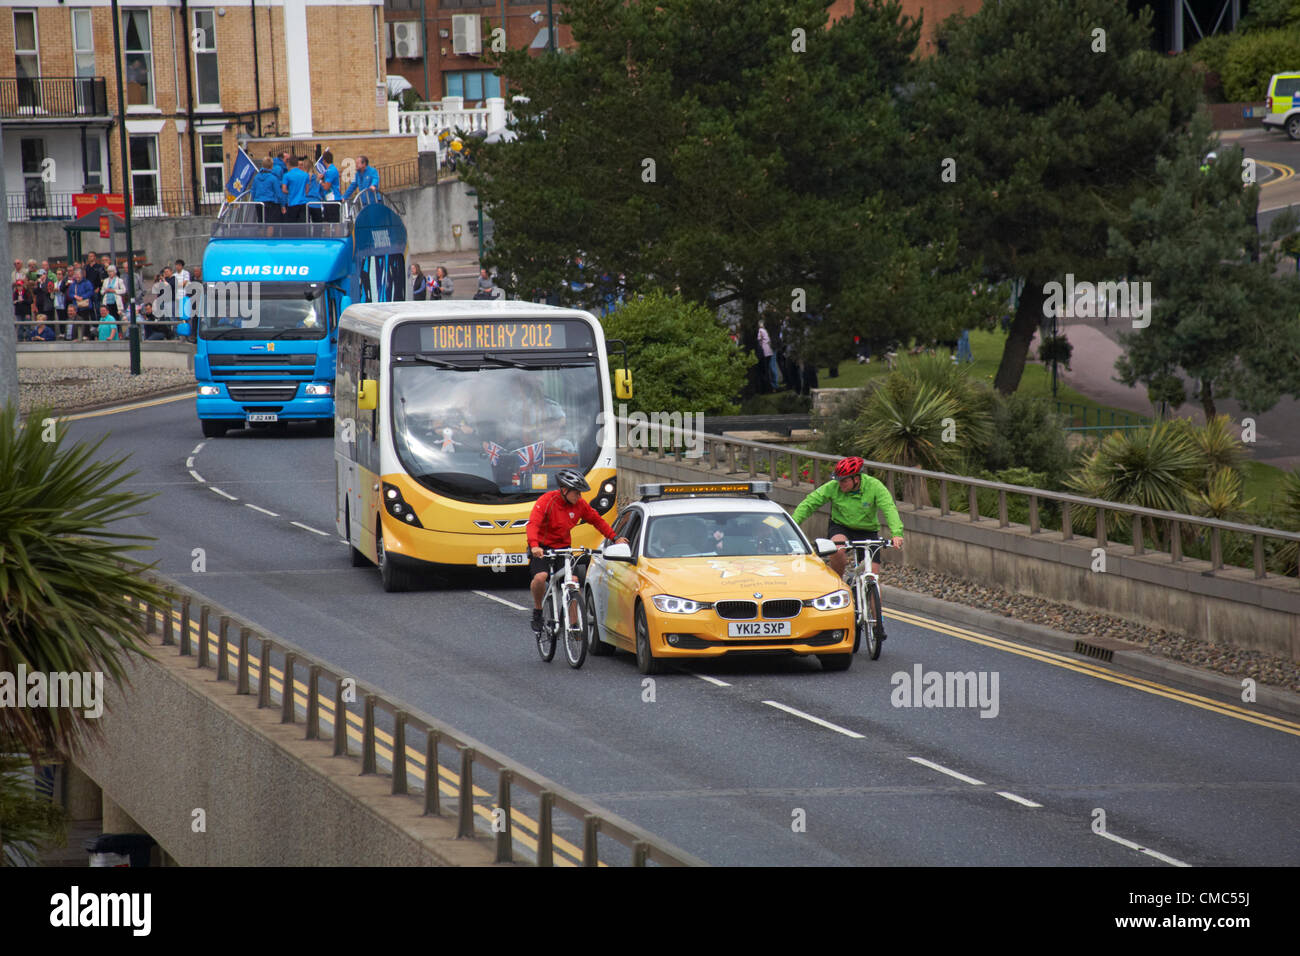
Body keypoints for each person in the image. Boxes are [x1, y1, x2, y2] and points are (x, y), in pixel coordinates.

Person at [526, 469, 627, 633]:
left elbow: (597, 521)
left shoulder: (579, 505)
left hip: (563, 549)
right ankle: (538, 611)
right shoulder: (547, 500)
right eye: (576, 493)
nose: (579, 496)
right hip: (542, 548)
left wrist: (615, 538)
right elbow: (533, 524)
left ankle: (574, 626)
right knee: (540, 577)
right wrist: (534, 545)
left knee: (572, 581)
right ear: (564, 490)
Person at [791, 456, 904, 581]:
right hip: (841, 527)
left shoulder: (874, 486)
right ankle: (837, 583)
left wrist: (896, 533)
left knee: (873, 576)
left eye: (844, 481)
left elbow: (889, 509)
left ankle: (872, 597)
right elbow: (809, 504)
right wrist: (791, 526)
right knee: (837, 550)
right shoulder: (833, 487)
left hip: (867, 530)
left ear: (856, 479)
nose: (840, 484)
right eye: (839, 480)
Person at [251, 156, 281, 222]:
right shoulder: (273, 178)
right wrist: (282, 203)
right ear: (272, 166)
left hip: (258, 202)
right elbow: (278, 192)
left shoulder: (256, 177)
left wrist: (254, 199)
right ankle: (268, 232)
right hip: (270, 202)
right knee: (270, 223)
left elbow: (253, 190)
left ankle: (261, 232)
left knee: (260, 221)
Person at [69, 266, 95, 339]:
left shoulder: (87, 282)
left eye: (78, 275)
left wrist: (82, 297)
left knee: (85, 321)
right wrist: (74, 296)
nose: (77, 276)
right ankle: (77, 336)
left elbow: (90, 292)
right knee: (76, 321)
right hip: (76, 306)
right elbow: (70, 293)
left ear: (81, 275)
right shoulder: (73, 284)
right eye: (75, 275)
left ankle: (86, 335)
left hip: (84, 306)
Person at [282, 156, 310, 223]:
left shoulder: (287, 175)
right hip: (303, 202)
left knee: (292, 226)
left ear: (289, 164)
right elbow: (307, 190)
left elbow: (284, 189)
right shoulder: (305, 175)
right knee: (303, 225)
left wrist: (291, 192)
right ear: (297, 163)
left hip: (292, 203)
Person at [318, 150, 342, 222]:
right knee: (327, 221)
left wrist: (320, 181)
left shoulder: (330, 171)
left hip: (332, 199)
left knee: (334, 222)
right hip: (329, 200)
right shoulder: (330, 170)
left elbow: (326, 187)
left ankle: (336, 234)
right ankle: (328, 233)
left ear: (324, 161)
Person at [757, 319, 779, 391]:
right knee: (772, 366)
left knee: (770, 367)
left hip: (766, 351)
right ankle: (773, 384)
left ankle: (773, 384)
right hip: (769, 349)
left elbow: (759, 340)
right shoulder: (766, 330)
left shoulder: (761, 331)